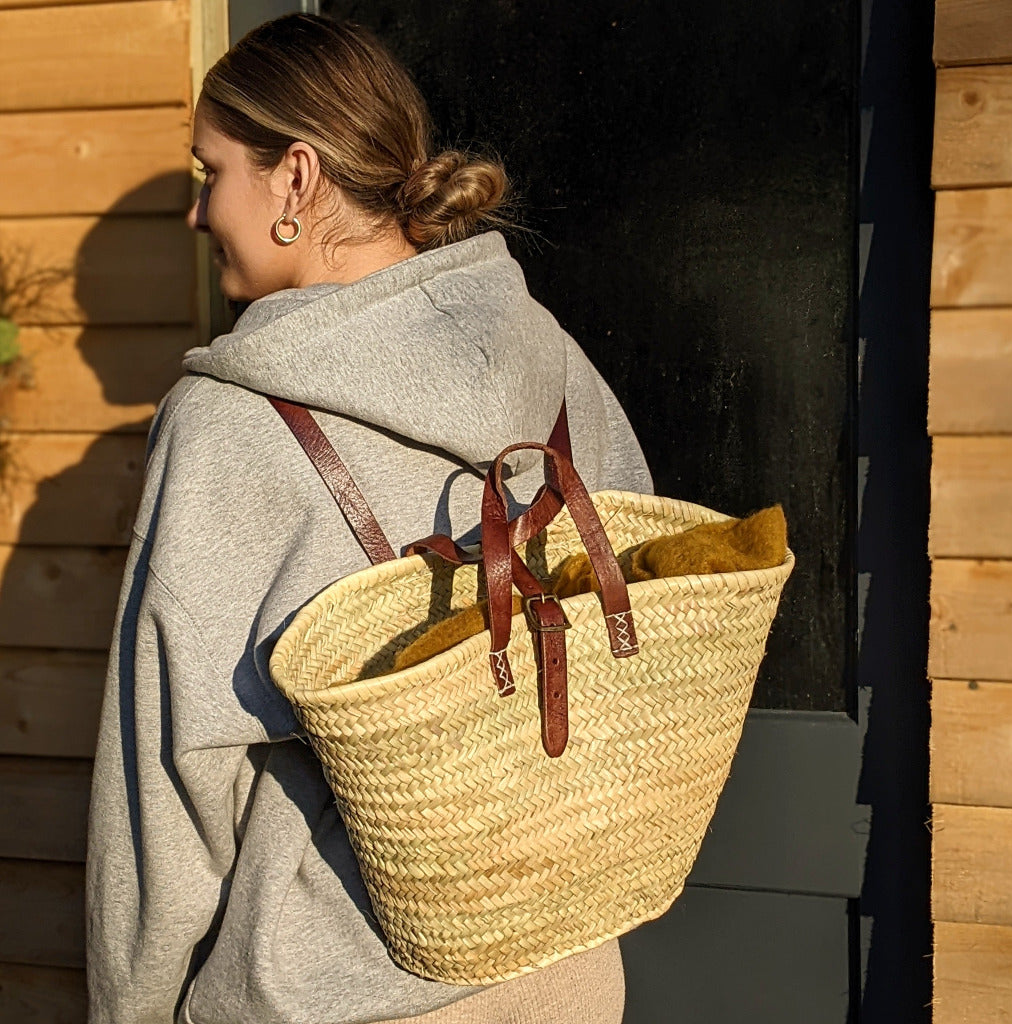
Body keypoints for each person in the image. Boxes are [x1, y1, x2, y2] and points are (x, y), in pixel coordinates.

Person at [86, 14, 652, 1024]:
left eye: (211, 173)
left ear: (295, 179)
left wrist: (130, 1006)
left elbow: (168, 788)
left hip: (334, 989)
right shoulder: (549, 357)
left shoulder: (227, 420)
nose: (199, 212)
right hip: (563, 962)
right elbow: (639, 609)